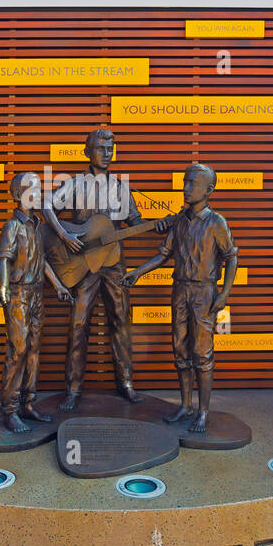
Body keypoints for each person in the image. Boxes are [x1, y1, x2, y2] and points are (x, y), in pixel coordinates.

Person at [43, 128, 167, 412]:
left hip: (114, 266)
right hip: (84, 266)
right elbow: (46, 205)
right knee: (77, 325)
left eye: (111, 149)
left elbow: (136, 221)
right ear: (87, 152)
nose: (107, 154)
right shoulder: (75, 184)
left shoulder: (122, 188)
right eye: (101, 148)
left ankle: (125, 384)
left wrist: (156, 225)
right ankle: (73, 389)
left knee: (121, 322)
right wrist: (63, 236)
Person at [125, 163, 238, 434]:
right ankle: (186, 405)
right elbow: (164, 254)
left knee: (202, 353)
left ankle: (203, 411)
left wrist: (223, 293)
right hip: (180, 291)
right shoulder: (179, 221)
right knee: (180, 350)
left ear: (209, 190)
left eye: (192, 184)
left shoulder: (216, 222)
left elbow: (231, 256)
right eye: (185, 182)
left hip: (204, 293)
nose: (185, 188)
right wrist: (137, 272)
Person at [0, 171, 72, 433]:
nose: (38, 194)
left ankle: (28, 404)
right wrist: (4, 287)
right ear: (18, 195)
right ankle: (10, 409)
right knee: (18, 351)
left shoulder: (38, 226)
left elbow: (44, 262)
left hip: (37, 294)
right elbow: (3, 258)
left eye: (40, 189)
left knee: (34, 351)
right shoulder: (12, 227)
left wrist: (59, 286)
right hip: (18, 294)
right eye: (32, 189)